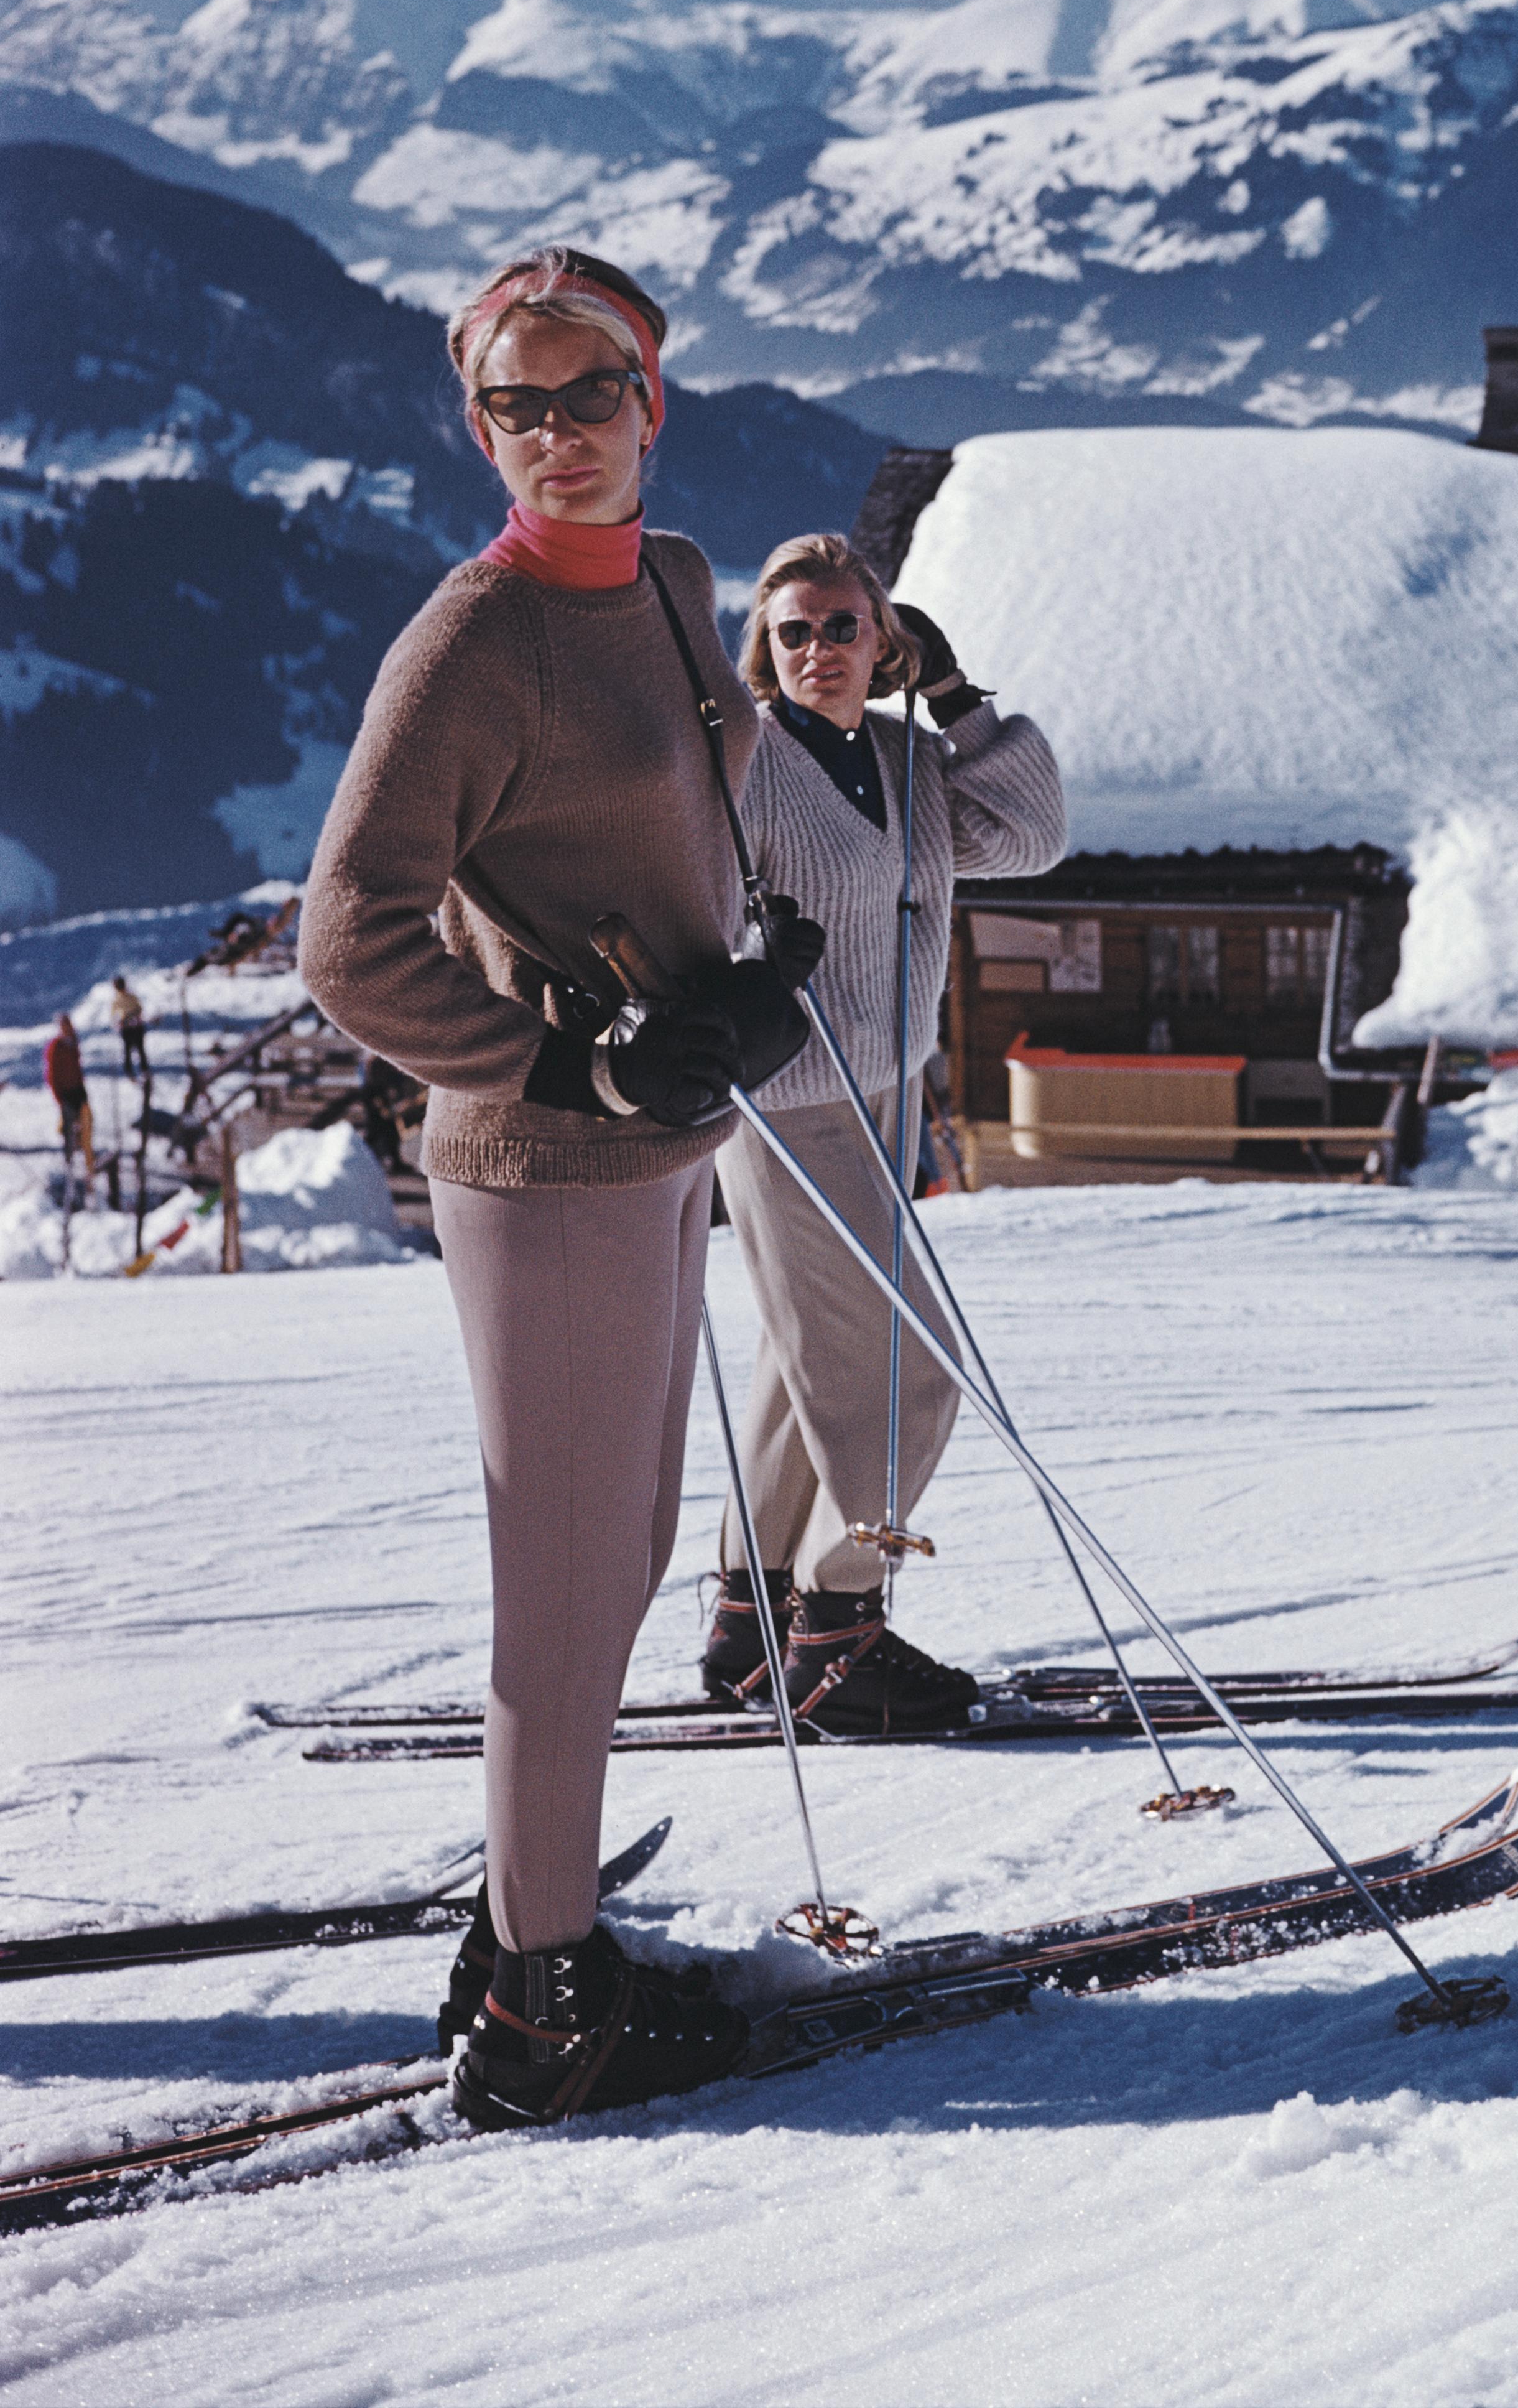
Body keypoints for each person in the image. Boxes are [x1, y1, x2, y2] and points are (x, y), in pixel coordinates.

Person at [300, 242, 820, 2133]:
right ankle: (545, 2003)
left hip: (660, 1140)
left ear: (649, 400)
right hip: (543, 1159)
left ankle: (540, 1916)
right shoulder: (472, 637)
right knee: (565, 1566)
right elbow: (346, 938)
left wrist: (738, 971)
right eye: (510, 404)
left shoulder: (680, 589)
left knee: (621, 1548)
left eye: (582, 396)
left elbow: (685, 816)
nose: (549, 437)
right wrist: (565, 1058)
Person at [700, 533, 1064, 1732]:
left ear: (884, 637)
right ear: (762, 647)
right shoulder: (742, 764)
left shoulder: (906, 760)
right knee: (909, 1373)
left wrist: (958, 705)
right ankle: (838, 1628)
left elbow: (1029, 838)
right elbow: (674, 892)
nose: (818, 651)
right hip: (788, 1098)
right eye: (792, 631)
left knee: (808, 1365)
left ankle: (755, 1621)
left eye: (841, 626)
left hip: (882, 1094)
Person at [45, 1013, 91, 1167]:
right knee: (68, 1125)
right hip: (66, 1092)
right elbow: (51, 1074)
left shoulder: (73, 1042)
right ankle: (69, 1159)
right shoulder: (56, 1046)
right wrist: (58, 1096)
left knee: (86, 1121)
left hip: (78, 1089)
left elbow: (77, 1067)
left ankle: (87, 1154)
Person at [111, 977, 149, 1082]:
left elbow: (139, 1008)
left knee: (140, 1048)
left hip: (136, 1026)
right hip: (126, 1027)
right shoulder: (117, 1000)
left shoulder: (131, 997)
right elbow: (114, 1015)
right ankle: (129, 1071)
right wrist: (119, 1022)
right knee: (127, 1050)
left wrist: (135, 1016)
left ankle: (144, 1069)